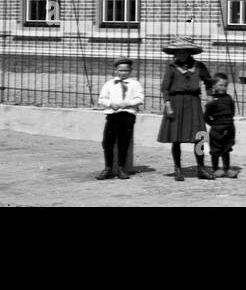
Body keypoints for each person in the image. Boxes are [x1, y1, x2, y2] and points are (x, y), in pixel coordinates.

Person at [156, 35, 214, 181]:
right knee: (176, 138)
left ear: (189, 52)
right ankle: (178, 168)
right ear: (174, 54)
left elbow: (208, 82)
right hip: (176, 103)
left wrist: (210, 99)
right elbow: (165, 88)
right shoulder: (171, 68)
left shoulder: (199, 67)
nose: (181, 54)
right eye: (178, 52)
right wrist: (167, 104)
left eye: (184, 51)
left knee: (199, 137)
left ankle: (201, 167)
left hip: (193, 102)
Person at [95, 58, 143, 180]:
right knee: (108, 142)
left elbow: (139, 98)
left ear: (130, 71)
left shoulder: (135, 84)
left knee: (124, 141)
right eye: (120, 70)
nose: (123, 73)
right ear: (115, 70)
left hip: (127, 115)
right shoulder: (109, 84)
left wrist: (127, 103)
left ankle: (121, 168)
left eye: (126, 70)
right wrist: (111, 104)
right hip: (112, 114)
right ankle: (108, 168)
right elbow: (102, 99)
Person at [203, 72, 238, 178]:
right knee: (215, 150)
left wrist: (227, 123)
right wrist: (214, 125)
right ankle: (216, 169)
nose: (223, 88)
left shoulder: (229, 98)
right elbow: (206, 116)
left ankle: (226, 169)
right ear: (214, 86)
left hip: (229, 128)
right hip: (216, 130)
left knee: (226, 149)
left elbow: (232, 111)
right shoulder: (212, 101)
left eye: (225, 85)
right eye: (221, 85)